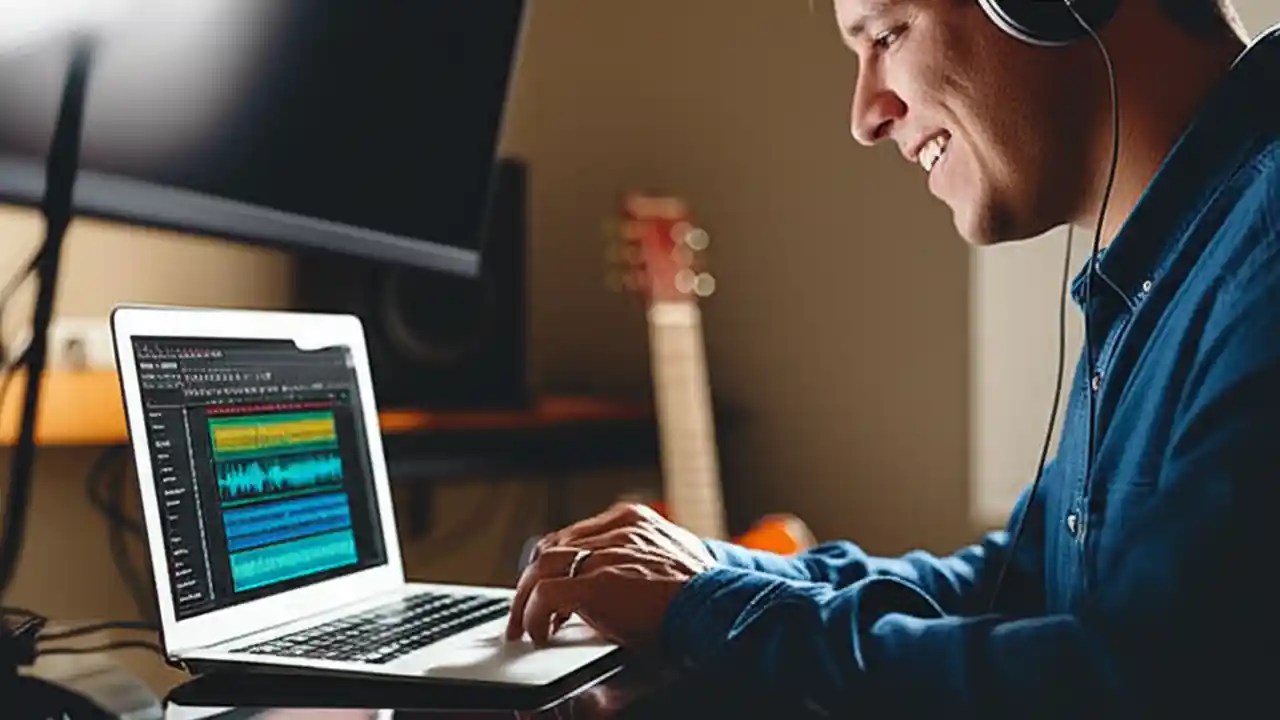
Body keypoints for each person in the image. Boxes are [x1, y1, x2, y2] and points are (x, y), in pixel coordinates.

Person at [506, 0, 1280, 716]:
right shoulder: (1167, 264)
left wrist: (705, 611)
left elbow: (1141, 686)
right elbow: (1012, 589)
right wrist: (698, 575)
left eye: (885, 34)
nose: (865, 117)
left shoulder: (1265, 248)